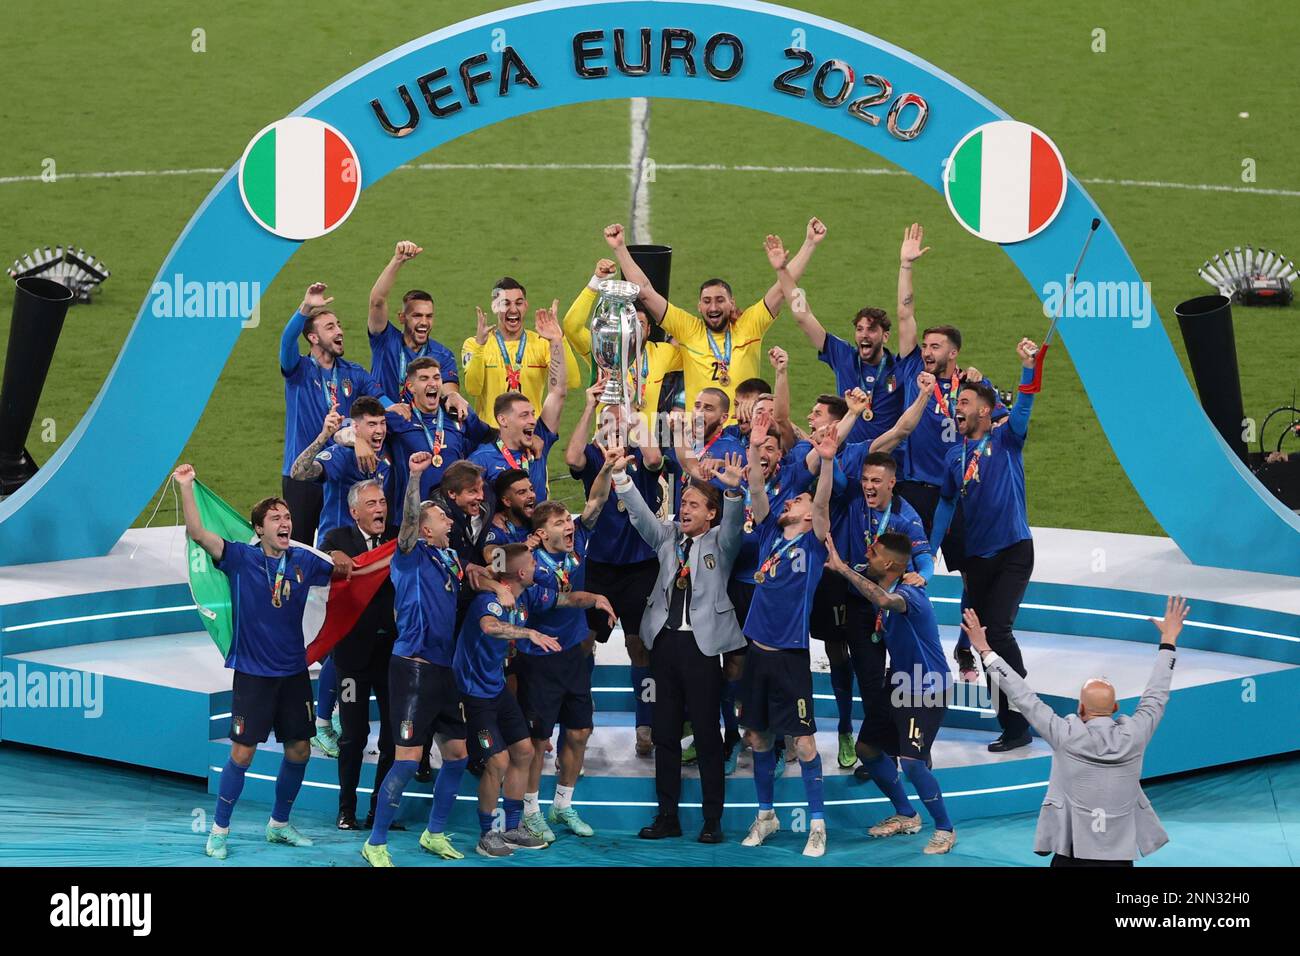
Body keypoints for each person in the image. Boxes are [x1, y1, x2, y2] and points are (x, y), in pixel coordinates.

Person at [174, 464, 348, 860]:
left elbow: (341, 566)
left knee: (300, 750)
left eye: (287, 517)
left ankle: (279, 825)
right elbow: (198, 533)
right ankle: (218, 830)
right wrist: (186, 486)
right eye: (276, 518)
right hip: (253, 676)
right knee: (242, 754)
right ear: (259, 529)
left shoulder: (305, 561)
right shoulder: (239, 559)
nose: (285, 522)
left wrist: (341, 554)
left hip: (294, 674)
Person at [360, 452, 512, 866]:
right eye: (442, 518)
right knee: (407, 762)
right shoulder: (409, 556)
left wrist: (500, 586)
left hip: (443, 672)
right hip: (413, 669)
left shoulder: (447, 557)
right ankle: (375, 842)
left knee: (459, 755)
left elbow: (476, 572)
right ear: (425, 529)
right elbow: (408, 522)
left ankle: (435, 833)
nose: (450, 521)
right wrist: (413, 478)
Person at [962, 597, 1188, 866]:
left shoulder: (1065, 734)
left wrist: (985, 649)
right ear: (1115, 707)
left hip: (1072, 855)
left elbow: (1022, 695)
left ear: (1080, 708)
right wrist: (1169, 640)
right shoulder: (1136, 735)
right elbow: (1157, 694)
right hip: (1119, 858)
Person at [614, 452, 748, 844]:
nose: (684, 509)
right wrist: (622, 476)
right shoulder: (668, 537)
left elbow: (736, 522)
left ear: (710, 514)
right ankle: (667, 816)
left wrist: (735, 489)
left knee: (707, 735)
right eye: (683, 503)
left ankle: (712, 820)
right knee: (665, 734)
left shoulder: (721, 542)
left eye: (693, 505)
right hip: (664, 643)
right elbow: (641, 516)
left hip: (703, 649)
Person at [454, 543, 611, 858]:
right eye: (532, 565)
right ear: (522, 572)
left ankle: (512, 827)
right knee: (497, 761)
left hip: (496, 688)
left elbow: (566, 599)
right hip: (474, 693)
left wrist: (595, 599)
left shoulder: (530, 594)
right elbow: (490, 627)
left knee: (523, 752)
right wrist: (528, 634)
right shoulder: (491, 601)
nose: (539, 568)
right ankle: (487, 834)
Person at [931, 338, 1040, 752]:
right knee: (982, 640)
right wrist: (928, 554)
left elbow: (1026, 404)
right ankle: (1013, 723)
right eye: (956, 402)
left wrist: (1029, 367)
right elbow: (944, 506)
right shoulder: (953, 458)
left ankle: (1021, 710)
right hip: (976, 560)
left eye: (966, 401)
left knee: (996, 631)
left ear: (985, 410)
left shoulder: (1007, 439)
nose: (958, 406)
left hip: (1013, 550)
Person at [604, 219, 826, 419]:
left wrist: (809, 244)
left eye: (720, 300)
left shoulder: (749, 325)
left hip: (743, 431)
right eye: (707, 301)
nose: (713, 307)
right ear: (699, 306)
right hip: (701, 439)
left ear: (732, 303)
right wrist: (620, 248)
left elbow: (782, 289)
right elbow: (644, 290)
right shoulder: (688, 329)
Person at [737, 426, 836, 856]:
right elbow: (755, 486)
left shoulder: (813, 546)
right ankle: (765, 816)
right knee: (758, 739)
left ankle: (817, 824)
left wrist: (828, 460)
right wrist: (755, 445)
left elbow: (825, 500)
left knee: (805, 742)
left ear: (809, 516)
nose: (788, 501)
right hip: (756, 654)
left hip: (791, 658)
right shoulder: (767, 535)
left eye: (796, 500)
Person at [826, 531, 957, 855]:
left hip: (926, 689)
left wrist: (843, 569)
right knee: (867, 748)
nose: (866, 555)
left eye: (872, 553)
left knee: (912, 762)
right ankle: (906, 814)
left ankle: (945, 828)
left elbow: (885, 601)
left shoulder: (910, 594)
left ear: (887, 563)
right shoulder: (890, 586)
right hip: (898, 683)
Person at [517, 454, 620, 843]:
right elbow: (554, 601)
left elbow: (594, 503)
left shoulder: (576, 544)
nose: (568, 526)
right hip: (540, 661)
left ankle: (562, 805)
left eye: (567, 520)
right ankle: (530, 811)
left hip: (575, 655)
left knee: (579, 732)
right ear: (542, 534)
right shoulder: (530, 565)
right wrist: (593, 597)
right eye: (559, 523)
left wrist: (607, 469)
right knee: (538, 741)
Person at [564, 374, 665, 758]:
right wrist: (591, 406)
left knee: (641, 646)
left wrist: (636, 413)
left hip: (641, 567)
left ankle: (645, 723)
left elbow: (656, 459)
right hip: (600, 567)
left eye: (620, 420)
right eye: (609, 421)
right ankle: (580, 715)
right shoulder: (593, 456)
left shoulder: (643, 454)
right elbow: (572, 458)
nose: (615, 426)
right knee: (585, 644)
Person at [280, 282, 395, 545]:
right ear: (312, 337)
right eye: (330, 327)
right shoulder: (298, 370)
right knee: (300, 548)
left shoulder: (352, 372)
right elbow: (286, 341)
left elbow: (379, 399)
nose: (340, 331)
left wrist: (395, 408)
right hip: (303, 473)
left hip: (339, 471)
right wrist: (306, 307)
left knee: (340, 542)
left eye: (339, 325)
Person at [781, 227, 917, 446]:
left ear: (885, 336)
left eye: (872, 329)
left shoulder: (900, 367)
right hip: (847, 457)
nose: (864, 334)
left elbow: (905, 315)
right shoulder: (843, 356)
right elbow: (803, 317)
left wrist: (906, 265)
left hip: (886, 461)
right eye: (860, 329)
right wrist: (782, 271)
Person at [319, 479, 399, 831]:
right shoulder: (338, 539)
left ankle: (379, 811)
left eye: (382, 501)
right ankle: (346, 810)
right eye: (371, 504)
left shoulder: (397, 539)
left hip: (391, 658)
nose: (379, 508)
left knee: (393, 735)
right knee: (353, 734)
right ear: (355, 512)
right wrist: (334, 557)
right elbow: (326, 556)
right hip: (352, 662)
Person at [560, 255, 683, 442]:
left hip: (643, 449)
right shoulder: (604, 349)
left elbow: (695, 351)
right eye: (629, 322)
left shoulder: (662, 353)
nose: (634, 327)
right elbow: (572, 327)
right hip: (606, 445)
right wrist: (596, 282)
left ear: (649, 329)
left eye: (640, 323)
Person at [468, 303, 569, 501]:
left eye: (532, 413)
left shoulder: (538, 440)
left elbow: (558, 392)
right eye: (524, 415)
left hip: (539, 529)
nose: (533, 420)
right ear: (503, 420)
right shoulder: (482, 459)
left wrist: (556, 341)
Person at [383, 357, 488, 516]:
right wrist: (360, 441)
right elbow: (358, 426)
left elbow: (489, 437)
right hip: (412, 515)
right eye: (424, 378)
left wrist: (457, 399)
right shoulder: (399, 418)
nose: (432, 383)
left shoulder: (456, 413)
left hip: (455, 514)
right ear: (411, 387)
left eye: (436, 378)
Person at [460, 279, 581, 415]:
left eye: (519, 303)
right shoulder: (474, 344)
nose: (513, 309)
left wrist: (559, 339)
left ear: (526, 305)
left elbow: (573, 381)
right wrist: (479, 347)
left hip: (530, 433)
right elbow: (473, 389)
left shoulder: (542, 343)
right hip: (491, 434)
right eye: (505, 303)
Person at [289, 396, 393, 546]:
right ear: (355, 427)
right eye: (372, 424)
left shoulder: (386, 450)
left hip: (371, 545)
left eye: (382, 423)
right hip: (337, 547)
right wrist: (324, 436)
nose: (379, 430)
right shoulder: (341, 455)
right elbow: (298, 473)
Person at [367, 241, 461, 402]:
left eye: (429, 316)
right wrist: (397, 261)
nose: (424, 322)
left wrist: (453, 396)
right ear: (402, 317)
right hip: (380, 425)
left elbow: (448, 389)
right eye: (417, 316)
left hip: (418, 427)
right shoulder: (385, 340)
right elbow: (377, 300)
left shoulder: (442, 355)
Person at [485, 469, 537, 547]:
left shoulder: (539, 521)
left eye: (531, 489)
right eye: (522, 492)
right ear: (507, 501)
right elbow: (493, 557)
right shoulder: (498, 530)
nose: (531, 495)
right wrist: (522, 549)